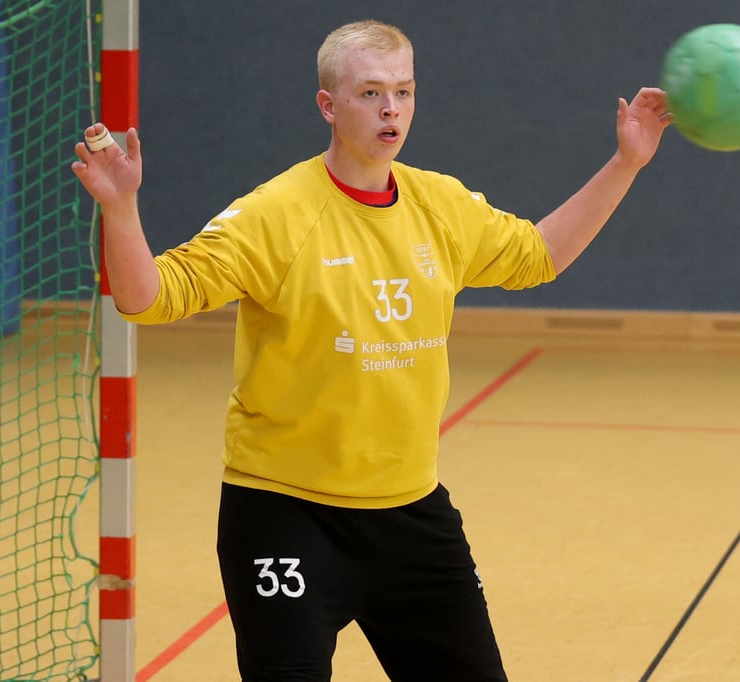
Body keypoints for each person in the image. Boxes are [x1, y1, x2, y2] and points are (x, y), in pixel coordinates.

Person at [72, 19, 671, 682]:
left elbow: (540, 254)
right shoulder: (275, 214)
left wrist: (626, 163)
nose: (391, 108)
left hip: (410, 516)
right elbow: (150, 298)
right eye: (370, 93)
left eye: (404, 91)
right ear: (328, 105)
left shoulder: (441, 205)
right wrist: (121, 209)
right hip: (285, 517)